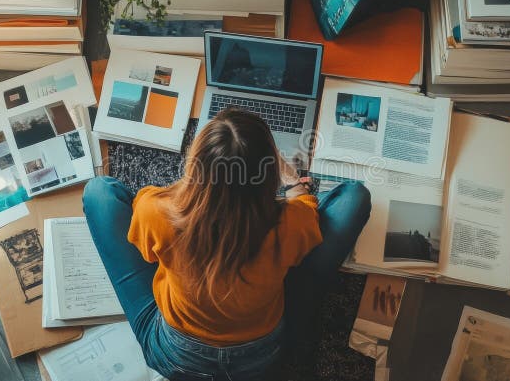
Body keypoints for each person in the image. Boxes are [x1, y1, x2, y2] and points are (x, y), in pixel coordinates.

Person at [82, 108, 371, 381]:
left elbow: (145, 250)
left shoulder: (156, 211)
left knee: (99, 193)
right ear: (266, 173)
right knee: (355, 197)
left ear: (194, 162)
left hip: (176, 359)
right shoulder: (291, 223)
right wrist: (293, 182)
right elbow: (307, 207)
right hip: (262, 359)